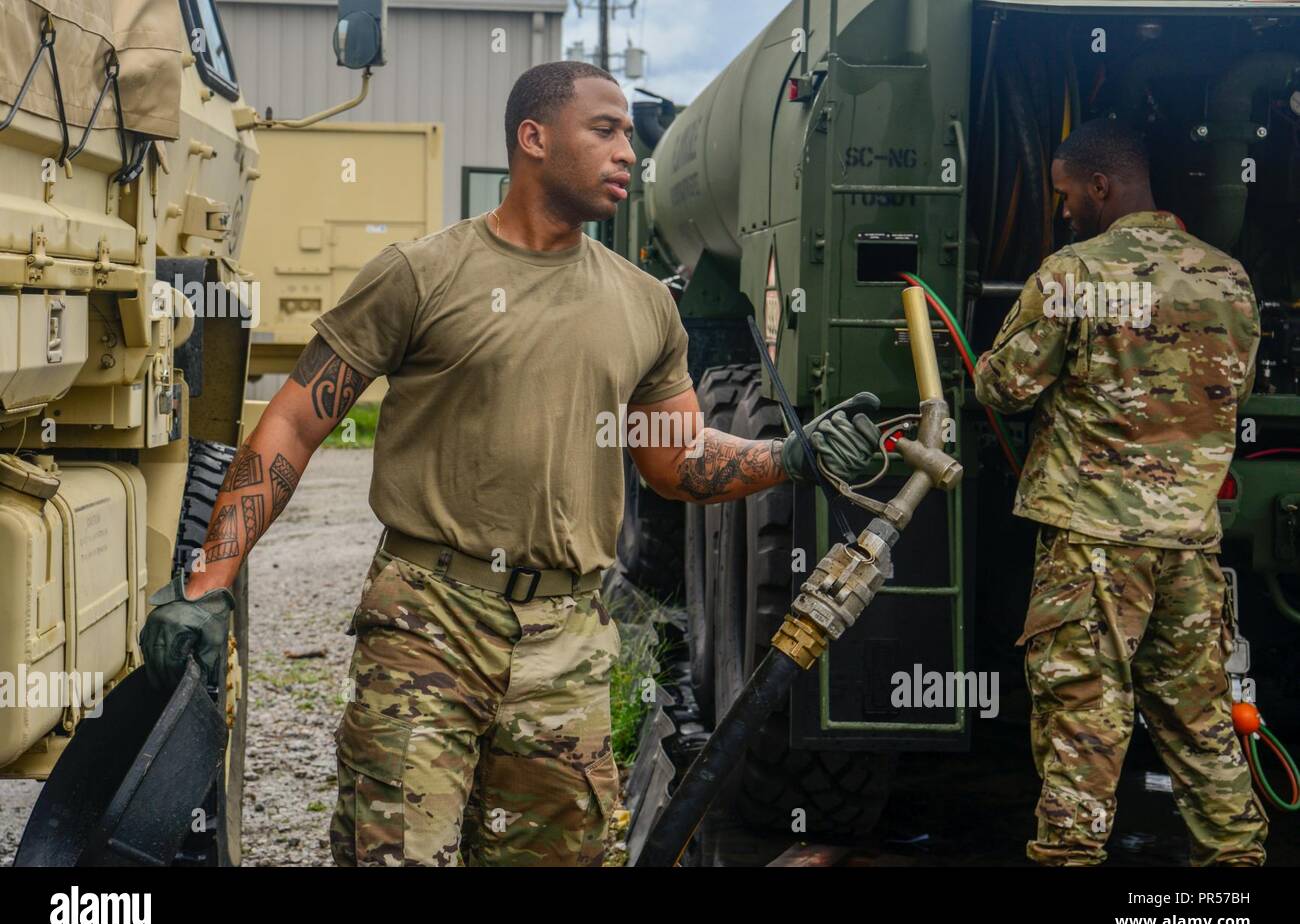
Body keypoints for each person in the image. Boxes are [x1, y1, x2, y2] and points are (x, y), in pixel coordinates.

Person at [138, 61, 883, 866]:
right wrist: (209, 583)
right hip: (428, 621)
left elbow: (677, 461)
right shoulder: (420, 275)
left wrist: (789, 454)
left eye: (630, 133)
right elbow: (295, 421)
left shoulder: (644, 303)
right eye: (605, 129)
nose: (627, 151)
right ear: (533, 138)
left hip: (565, 644)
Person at [973, 117, 1268, 866]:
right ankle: (1235, 870)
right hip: (1190, 550)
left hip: (1094, 548)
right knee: (1203, 726)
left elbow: (1005, 388)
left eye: (1067, 195)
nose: (1063, 210)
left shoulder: (1074, 274)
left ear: (1101, 187)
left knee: (1082, 726)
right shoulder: (1228, 277)